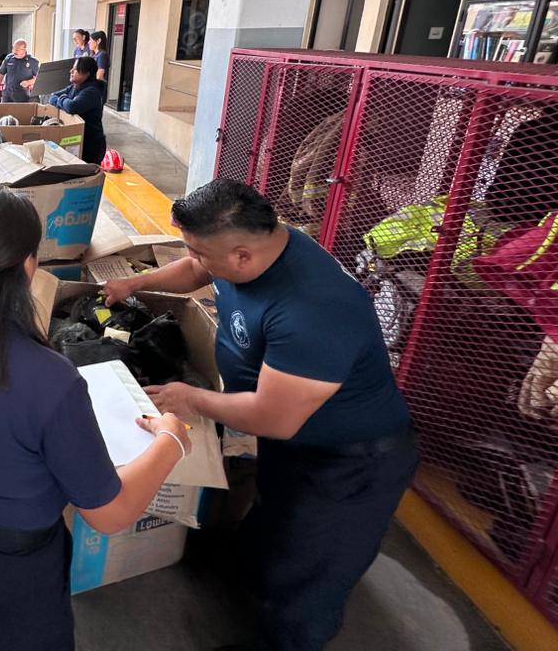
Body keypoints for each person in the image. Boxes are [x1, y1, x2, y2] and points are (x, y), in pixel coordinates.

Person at [103, 180, 417, 651]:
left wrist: (191, 399)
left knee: (310, 575)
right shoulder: (252, 248)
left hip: (350, 463)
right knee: (270, 524)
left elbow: (274, 417)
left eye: (201, 252)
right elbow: (196, 269)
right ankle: (247, 575)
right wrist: (136, 283)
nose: (195, 259)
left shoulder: (314, 308)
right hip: (297, 446)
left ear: (243, 256)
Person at [0, 185, 190, 650]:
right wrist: (171, 439)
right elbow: (109, 514)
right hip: (5, 565)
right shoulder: (50, 380)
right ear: (29, 265)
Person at [48, 56, 106, 163]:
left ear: (87, 73)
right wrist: (64, 101)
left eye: (75, 69)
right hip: (79, 140)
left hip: (91, 146)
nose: (71, 71)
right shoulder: (74, 86)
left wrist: (62, 99)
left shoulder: (91, 92)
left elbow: (72, 107)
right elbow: (52, 97)